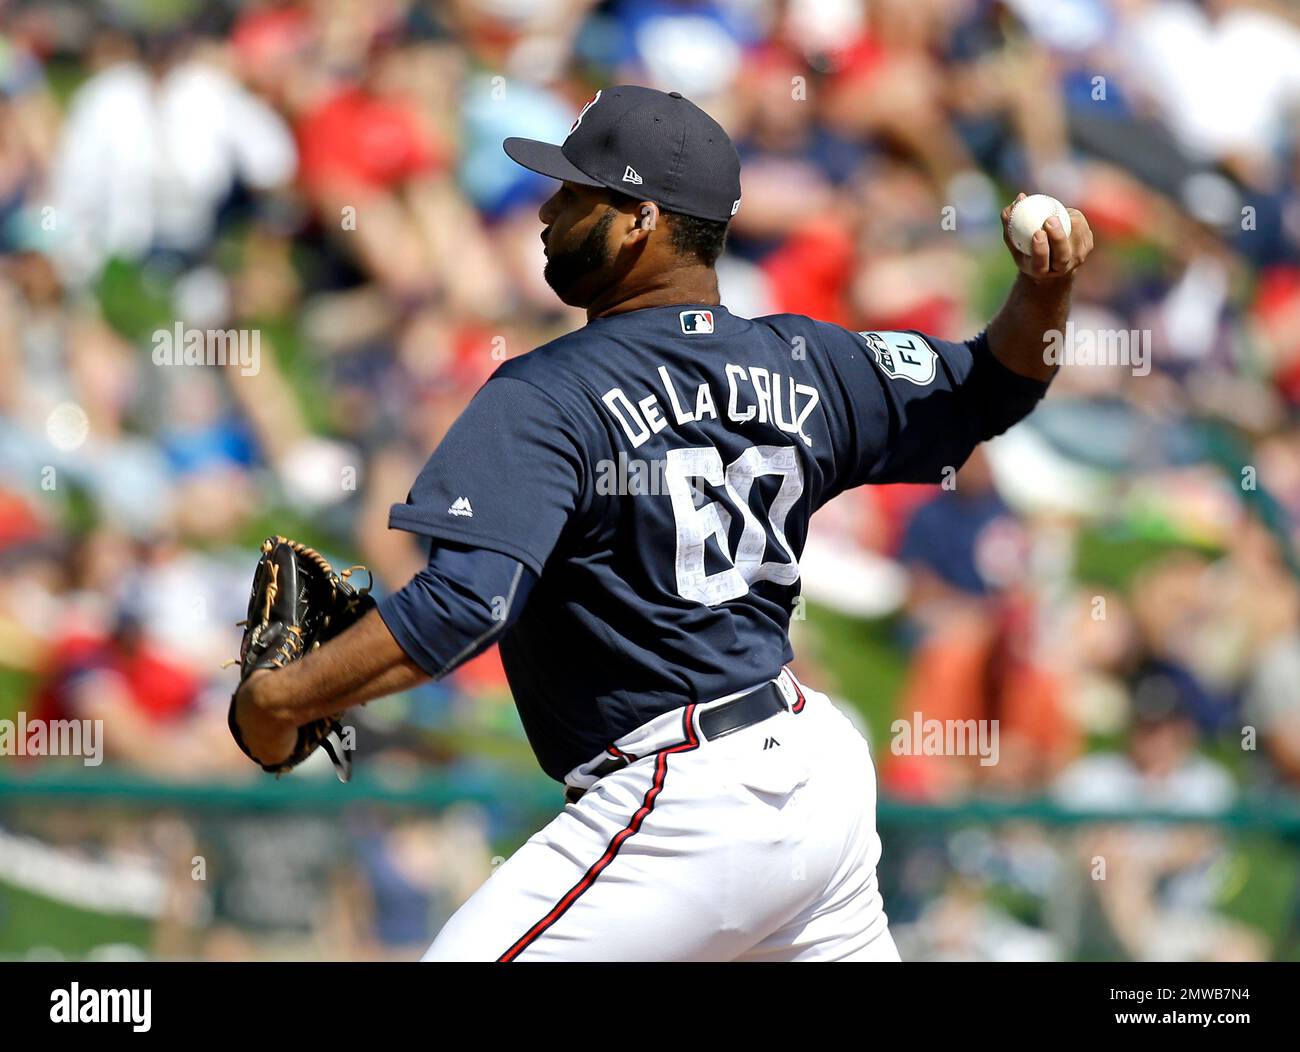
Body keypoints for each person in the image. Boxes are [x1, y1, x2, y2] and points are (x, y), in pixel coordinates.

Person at [230, 85, 1093, 961]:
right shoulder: (811, 360)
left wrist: (281, 697)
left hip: (681, 797)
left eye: (575, 194)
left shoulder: (544, 393)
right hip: (811, 774)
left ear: (640, 220)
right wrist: (1047, 287)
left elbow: (467, 606)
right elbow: (995, 386)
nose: (547, 212)